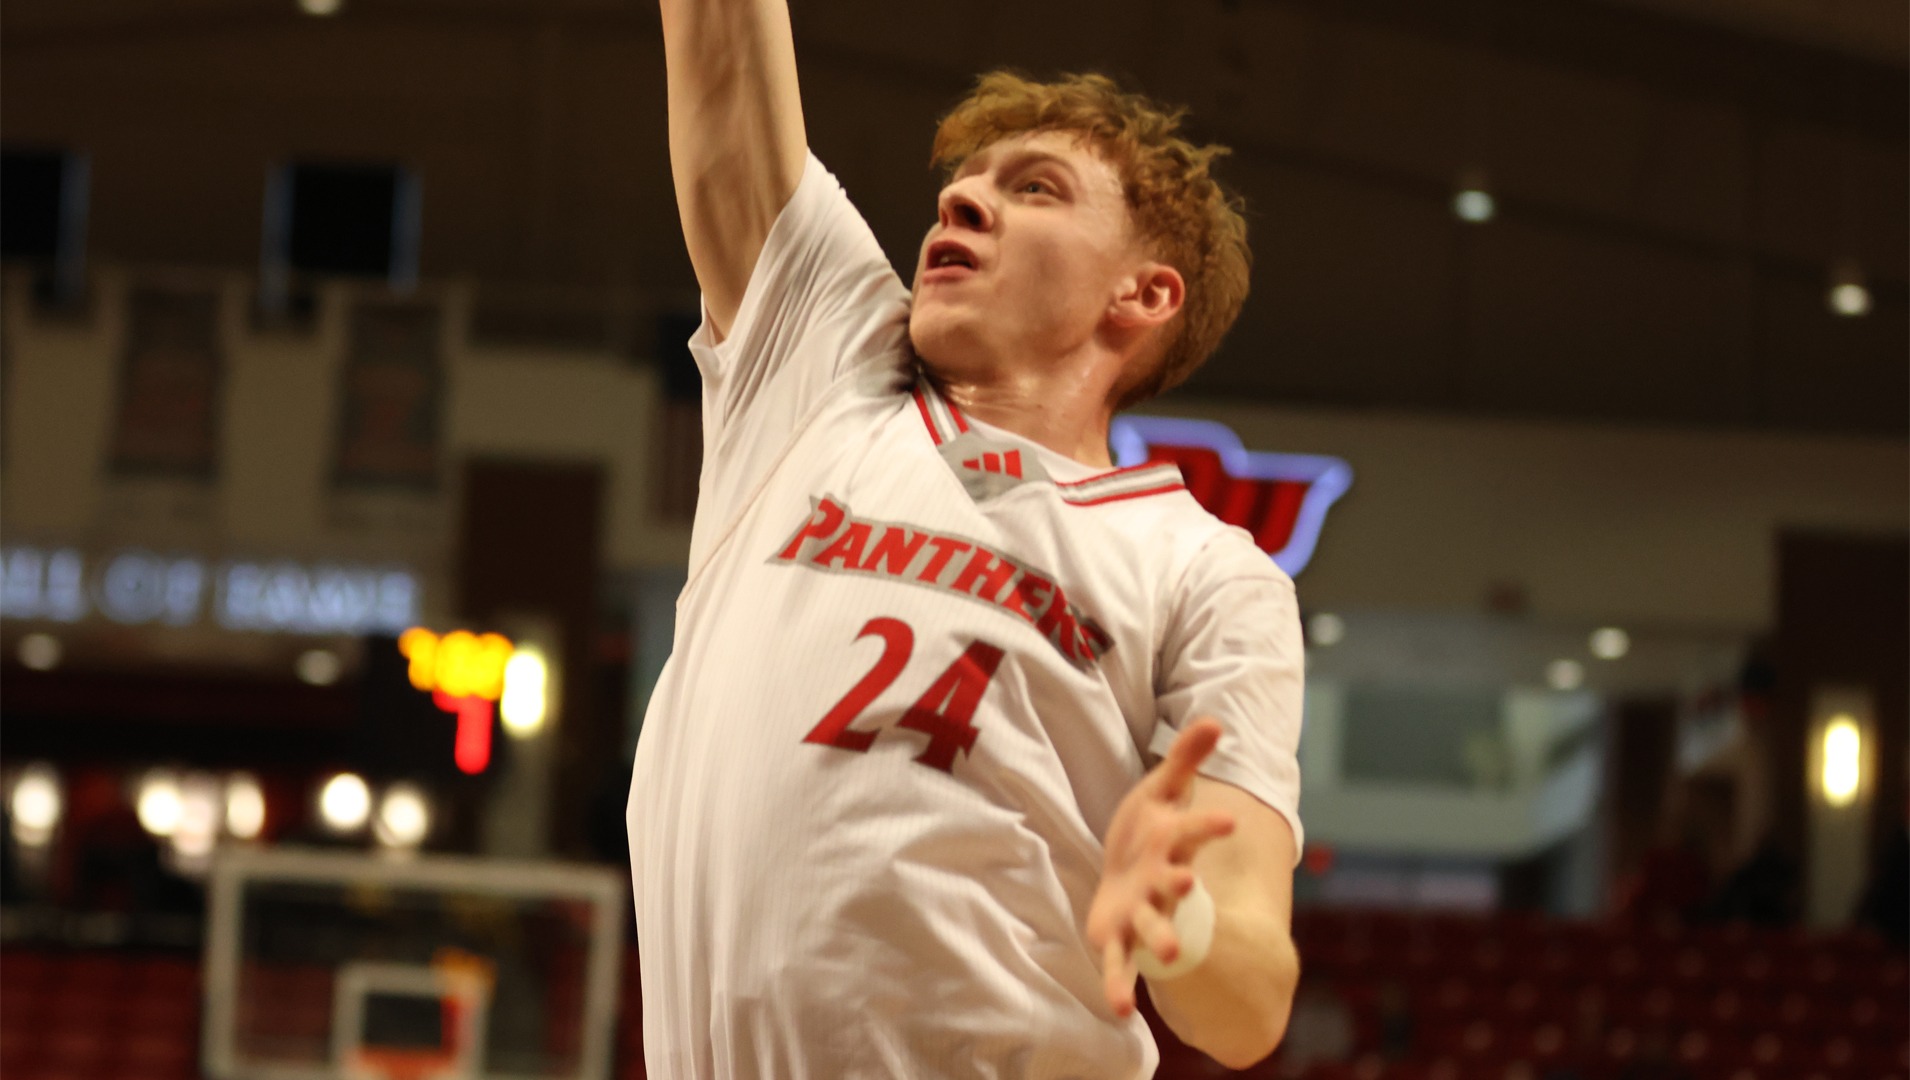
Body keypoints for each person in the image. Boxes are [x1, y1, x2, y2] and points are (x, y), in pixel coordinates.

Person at [628, 1, 1306, 1075]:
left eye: (1030, 187)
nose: (961, 196)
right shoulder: (819, 370)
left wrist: (1181, 926)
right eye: (965, 182)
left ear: (1143, 294)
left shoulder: (1208, 574)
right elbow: (717, 50)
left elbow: (1248, 999)